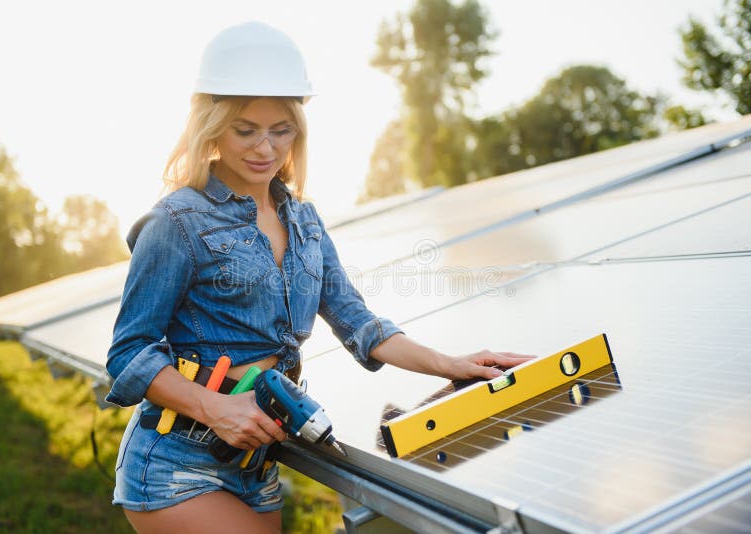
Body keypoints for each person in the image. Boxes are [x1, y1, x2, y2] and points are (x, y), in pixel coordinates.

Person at [105, 21, 533, 534]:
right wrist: (217, 408)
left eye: (280, 130)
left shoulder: (304, 221)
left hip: (257, 462)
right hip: (176, 464)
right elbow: (128, 354)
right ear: (212, 126)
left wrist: (451, 363)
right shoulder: (176, 222)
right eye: (246, 129)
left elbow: (360, 325)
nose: (265, 147)